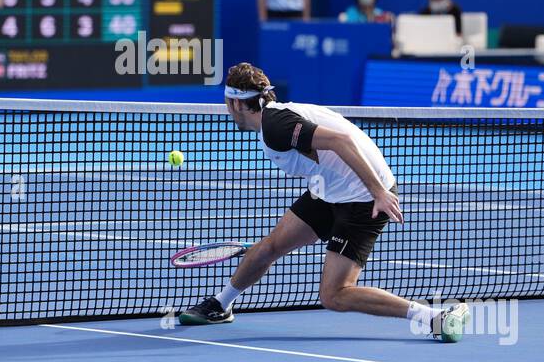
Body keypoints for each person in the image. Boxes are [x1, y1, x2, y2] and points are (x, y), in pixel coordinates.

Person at [177, 62, 469, 343]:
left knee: (334, 294)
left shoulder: (276, 124)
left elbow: (341, 141)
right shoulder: (275, 118)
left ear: (236, 104)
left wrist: (378, 191)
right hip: (331, 189)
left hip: (363, 197)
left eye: (228, 103)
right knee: (271, 246)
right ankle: (220, 305)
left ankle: (435, 316)